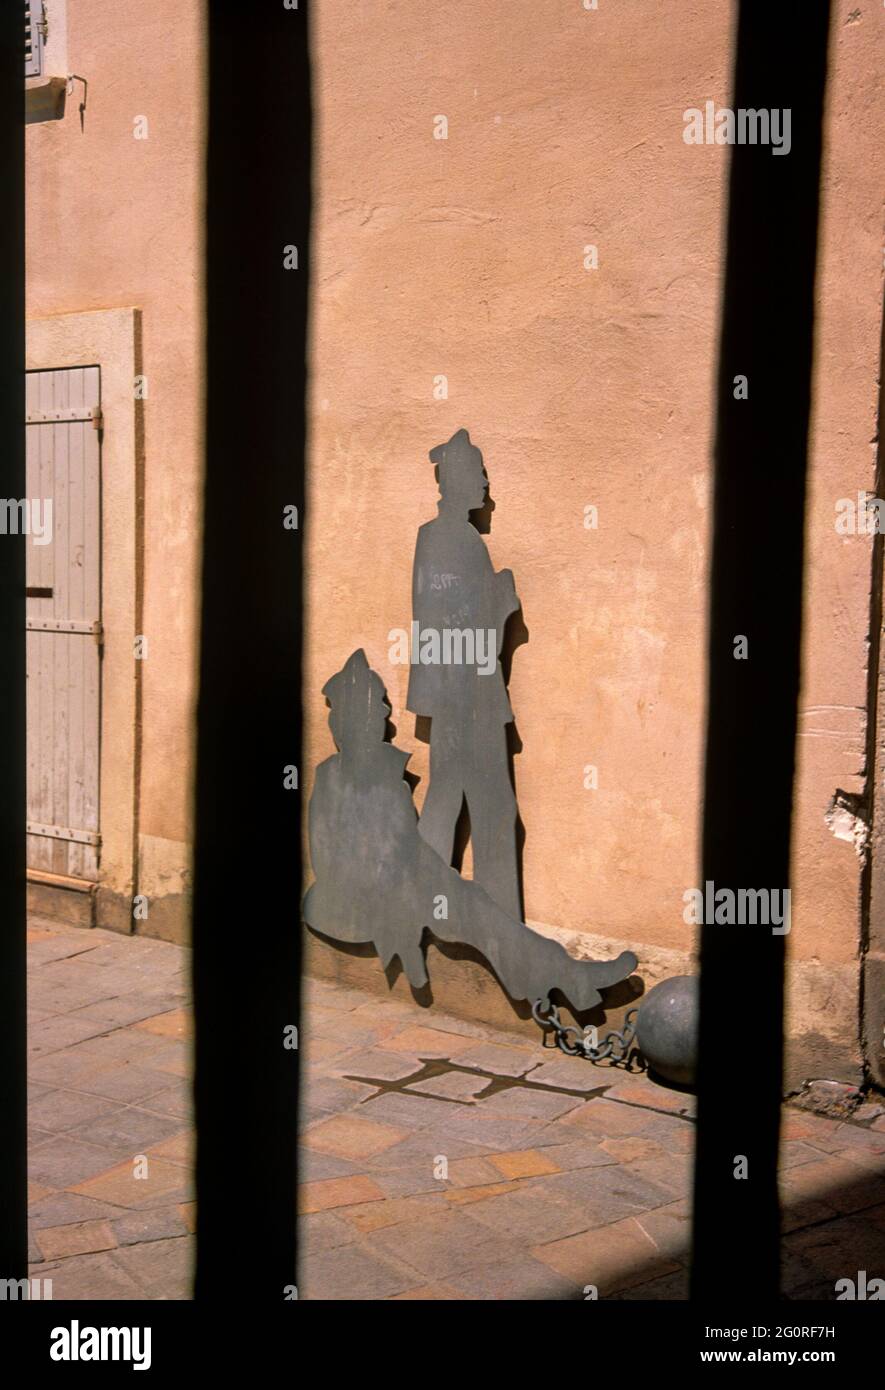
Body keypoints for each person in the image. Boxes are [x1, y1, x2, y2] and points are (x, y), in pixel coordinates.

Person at [304, 649, 637, 1013]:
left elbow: (407, 851)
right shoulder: (335, 776)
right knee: (463, 903)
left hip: (402, 889)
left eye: (384, 703)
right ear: (356, 717)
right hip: (352, 904)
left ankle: (562, 975)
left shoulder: (381, 773)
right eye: (377, 705)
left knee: (466, 903)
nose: (386, 713)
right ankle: (565, 976)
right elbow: (333, 861)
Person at [407, 429, 522, 920]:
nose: (485, 487)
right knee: (494, 812)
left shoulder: (445, 538)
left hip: (460, 694)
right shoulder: (451, 539)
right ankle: (498, 918)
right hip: (469, 696)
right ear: (455, 481)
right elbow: (456, 622)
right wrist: (503, 600)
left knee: (449, 798)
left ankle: (420, 900)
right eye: (478, 475)